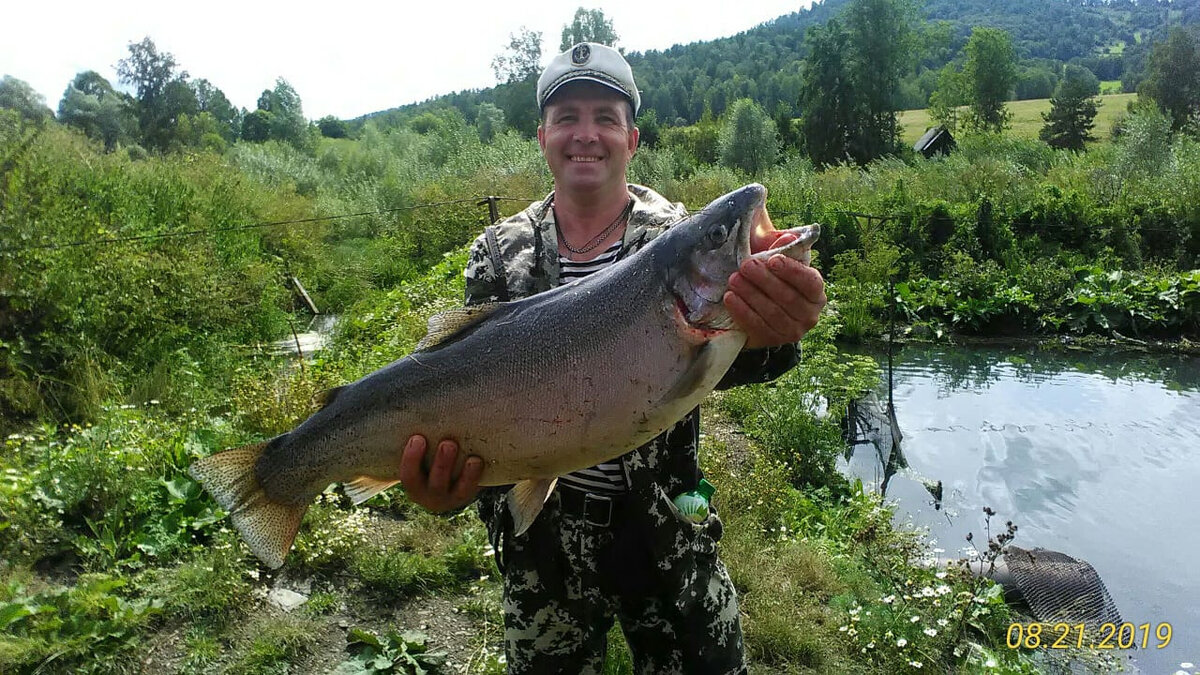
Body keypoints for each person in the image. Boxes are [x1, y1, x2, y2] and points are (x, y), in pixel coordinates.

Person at [397, 43, 826, 674]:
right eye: (567, 115)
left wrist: (778, 330)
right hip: (542, 549)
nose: (585, 134)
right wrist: (446, 487)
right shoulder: (498, 253)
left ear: (632, 136)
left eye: (605, 115)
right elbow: (469, 396)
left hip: (664, 535)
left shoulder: (675, 235)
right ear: (542, 134)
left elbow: (739, 362)